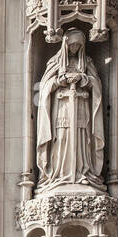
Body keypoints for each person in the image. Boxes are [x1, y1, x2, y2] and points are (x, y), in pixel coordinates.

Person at [35, 28, 105, 191]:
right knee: (62, 138)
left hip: (81, 107)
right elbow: (44, 88)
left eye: (78, 46)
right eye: (72, 45)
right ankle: (60, 174)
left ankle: (82, 173)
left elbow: (96, 86)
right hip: (62, 109)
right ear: (65, 45)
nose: (74, 49)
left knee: (82, 138)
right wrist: (60, 81)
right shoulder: (55, 62)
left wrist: (84, 79)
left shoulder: (87, 62)